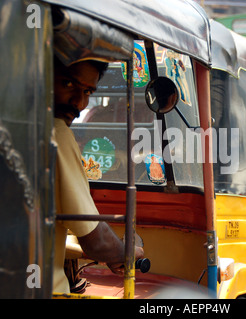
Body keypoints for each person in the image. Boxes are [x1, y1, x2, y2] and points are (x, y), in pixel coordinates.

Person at [52, 57, 144, 293]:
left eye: (88, 91)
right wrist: (128, 252)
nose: (79, 102)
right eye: (68, 84)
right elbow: (96, 240)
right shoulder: (55, 132)